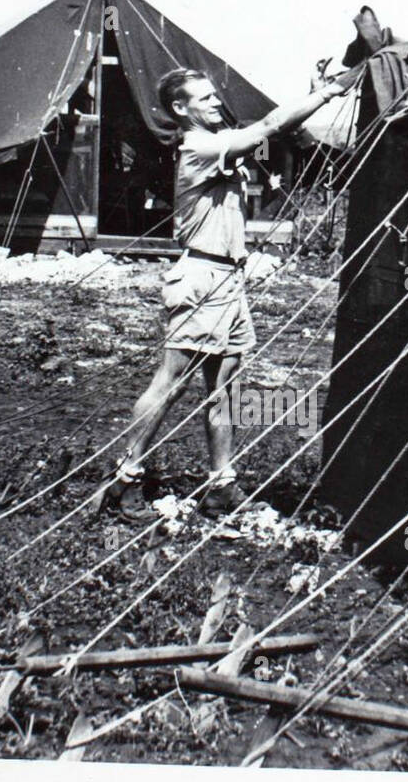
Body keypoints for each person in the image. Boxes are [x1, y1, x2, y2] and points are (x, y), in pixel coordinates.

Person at [97, 65, 358, 519]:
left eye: (215, 95)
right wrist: (331, 92)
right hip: (202, 279)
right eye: (205, 98)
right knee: (171, 383)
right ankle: (124, 480)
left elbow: (274, 133)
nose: (217, 102)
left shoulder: (217, 143)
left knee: (225, 390)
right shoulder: (199, 145)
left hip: (227, 280)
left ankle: (221, 486)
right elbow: (272, 126)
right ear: (181, 109)